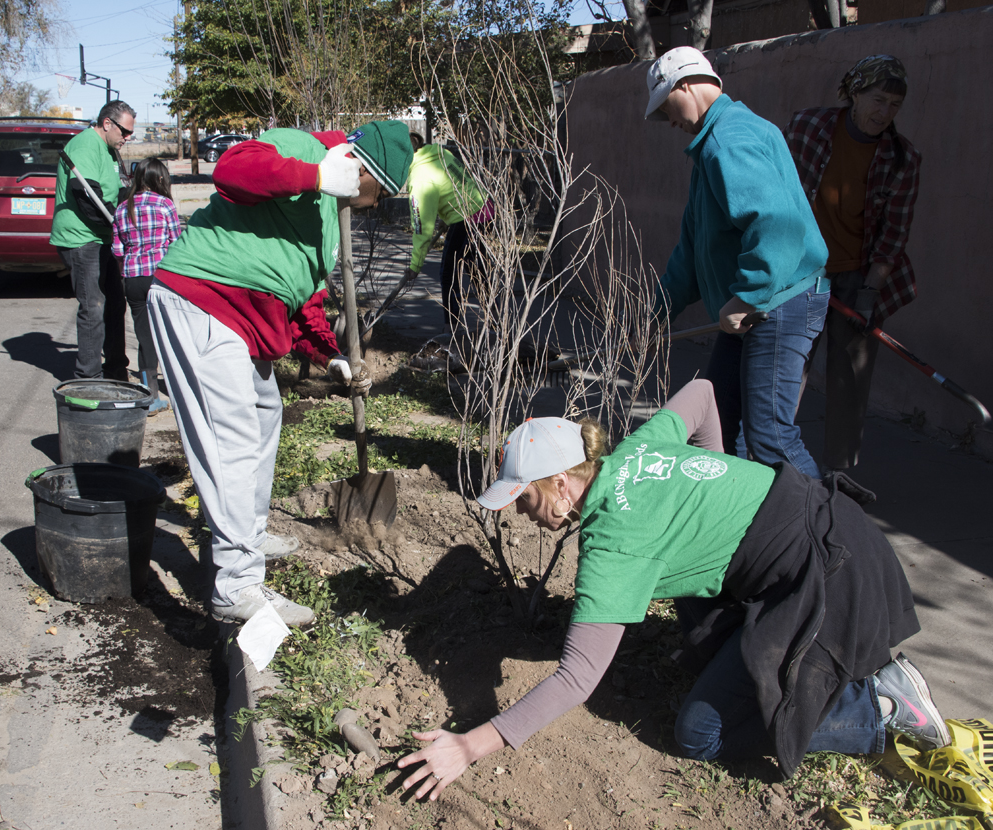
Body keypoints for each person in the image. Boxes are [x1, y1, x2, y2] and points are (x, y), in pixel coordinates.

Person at [396, 379, 951, 801]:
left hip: (829, 580)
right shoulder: (635, 450)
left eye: (524, 497)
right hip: (831, 523)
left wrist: (469, 746)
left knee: (700, 733)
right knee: (695, 617)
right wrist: (724, 492)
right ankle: (808, 665)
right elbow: (704, 395)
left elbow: (576, 677)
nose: (519, 511)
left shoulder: (614, 545)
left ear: (561, 484)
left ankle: (879, 707)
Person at [147, 121, 414, 626]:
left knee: (267, 412)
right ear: (363, 170)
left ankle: (247, 531)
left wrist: (329, 354)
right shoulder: (304, 151)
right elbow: (233, 170)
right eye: (379, 191)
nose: (376, 203)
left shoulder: (332, 217)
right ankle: (237, 585)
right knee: (232, 440)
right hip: (206, 299)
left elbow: (302, 295)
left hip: (245, 317)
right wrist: (314, 174)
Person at [645, 47, 829, 478]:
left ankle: (830, 536)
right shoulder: (710, 147)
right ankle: (744, 531)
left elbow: (778, 227)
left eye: (665, 108)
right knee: (719, 426)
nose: (669, 123)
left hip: (778, 303)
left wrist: (745, 296)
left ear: (685, 85)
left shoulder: (730, 141)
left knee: (769, 438)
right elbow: (693, 253)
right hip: (755, 305)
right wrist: (650, 317)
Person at [785, 55, 921, 474]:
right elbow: (779, 194)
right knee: (787, 370)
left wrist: (868, 292)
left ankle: (839, 478)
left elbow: (894, 234)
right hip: (800, 270)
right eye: (878, 100)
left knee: (850, 381)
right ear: (855, 94)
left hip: (858, 276)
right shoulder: (809, 129)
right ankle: (770, 467)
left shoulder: (902, 159)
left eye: (894, 106)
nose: (885, 113)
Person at [50, 100, 136, 381]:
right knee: (93, 306)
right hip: (81, 239)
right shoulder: (86, 145)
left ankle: (114, 368)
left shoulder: (111, 151)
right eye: (124, 132)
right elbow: (87, 197)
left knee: (115, 302)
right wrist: (116, 225)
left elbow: (117, 194)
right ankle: (88, 378)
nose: (127, 138)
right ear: (107, 123)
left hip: (103, 238)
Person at [111, 158, 182, 414]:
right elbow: (177, 243)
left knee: (145, 336)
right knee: (171, 333)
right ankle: (178, 387)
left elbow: (118, 250)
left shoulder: (122, 208)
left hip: (133, 279)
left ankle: (150, 395)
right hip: (162, 278)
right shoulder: (165, 205)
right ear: (160, 179)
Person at [404, 133, 494, 332]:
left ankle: (451, 329)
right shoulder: (438, 154)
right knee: (475, 268)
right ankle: (494, 319)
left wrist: (415, 265)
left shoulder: (420, 177)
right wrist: (447, 220)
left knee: (449, 272)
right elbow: (452, 185)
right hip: (485, 208)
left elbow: (422, 227)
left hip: (467, 216)